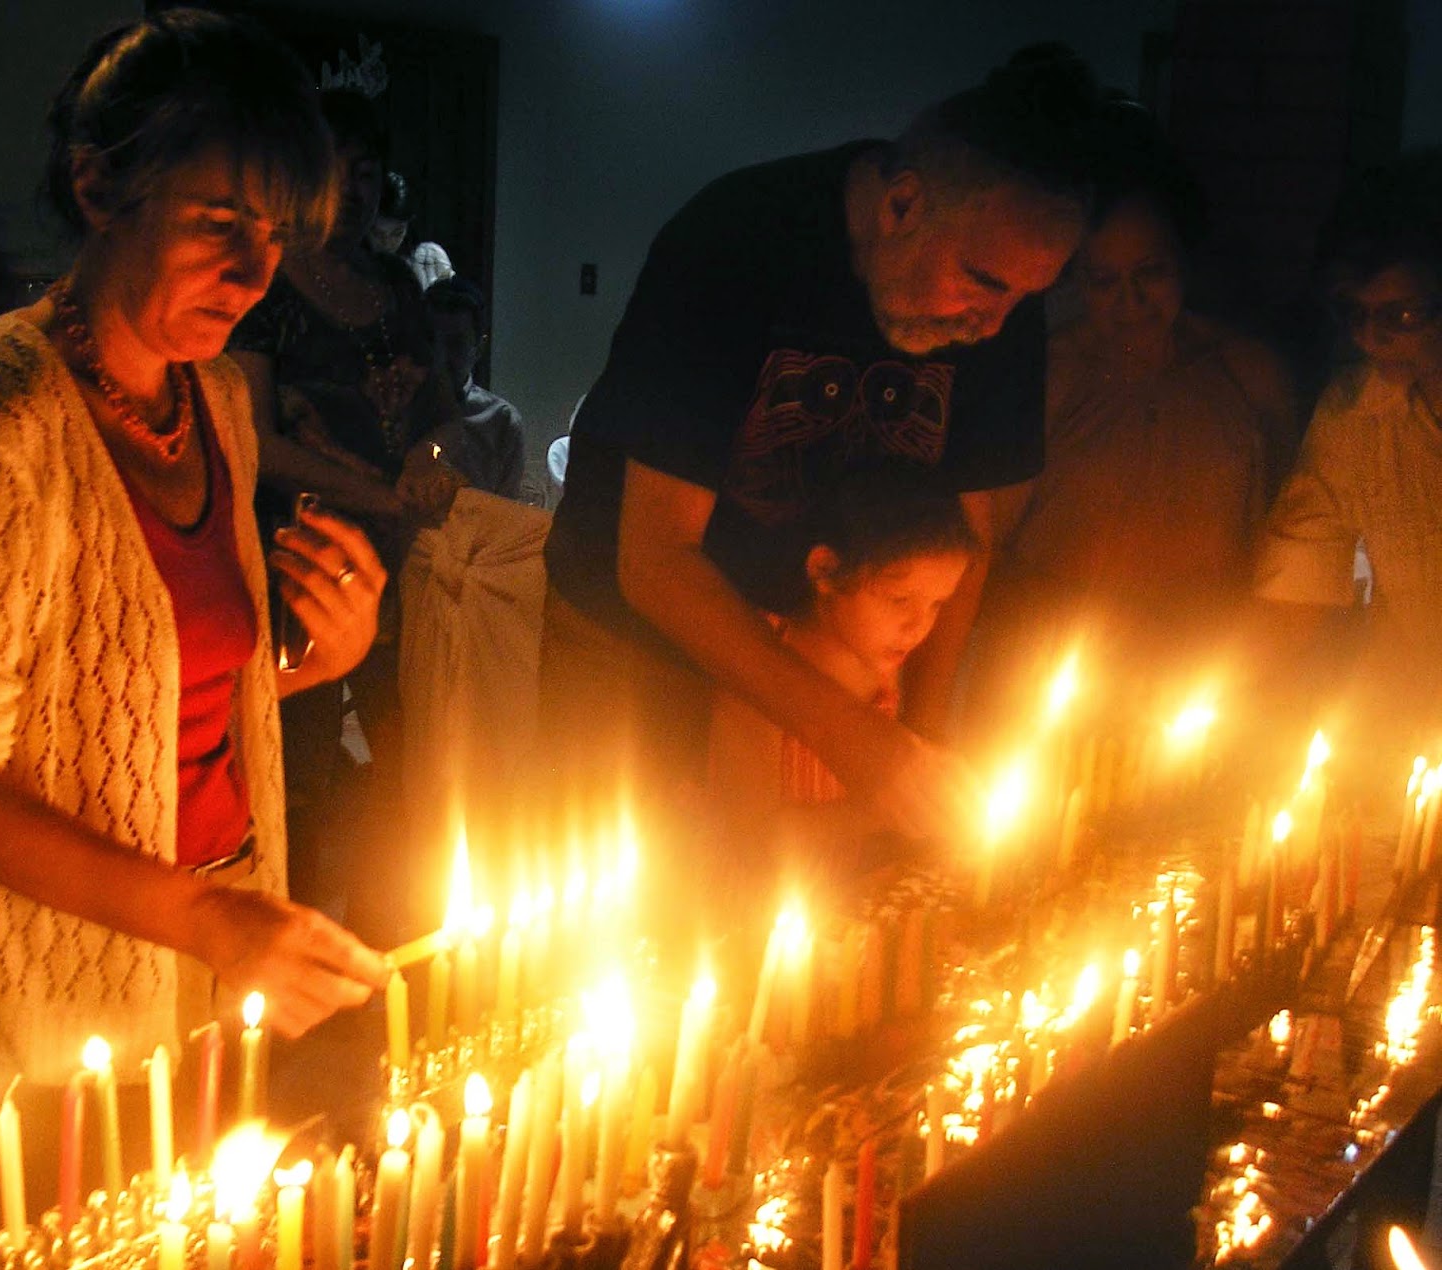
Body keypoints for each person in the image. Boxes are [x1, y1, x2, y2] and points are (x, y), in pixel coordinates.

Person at [0, 10, 391, 1084]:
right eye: (217, 222)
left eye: (276, 235)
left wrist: (302, 662)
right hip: (56, 1016)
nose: (252, 275)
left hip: (210, 969)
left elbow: (124, 701)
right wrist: (203, 918)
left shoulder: (217, 400)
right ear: (99, 191)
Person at [540, 47, 1106, 840]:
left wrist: (921, 738)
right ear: (902, 204)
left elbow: (967, 539)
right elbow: (656, 560)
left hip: (843, 663)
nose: (995, 325)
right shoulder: (736, 242)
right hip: (639, 654)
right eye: (983, 282)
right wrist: (851, 736)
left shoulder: (999, 309)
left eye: (1027, 297)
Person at [972, 117, 1297, 727]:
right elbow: (989, 545)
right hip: (1055, 672)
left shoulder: (1248, 375)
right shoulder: (1052, 376)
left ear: (1183, 264)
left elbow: (1293, 538)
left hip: (1199, 675)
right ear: (1074, 278)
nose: (1131, 301)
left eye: (1150, 273)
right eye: (1104, 280)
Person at [230, 87, 460, 928]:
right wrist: (380, 493)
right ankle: (277, 942)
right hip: (295, 557)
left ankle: (381, 945)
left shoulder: (398, 287)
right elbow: (253, 442)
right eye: (339, 170)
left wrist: (432, 463)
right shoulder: (264, 287)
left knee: (405, 761)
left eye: (371, 172)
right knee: (299, 765)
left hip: (402, 564)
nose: (356, 189)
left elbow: (442, 412)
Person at [1254, 148, 1442, 763]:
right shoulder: (1357, 415)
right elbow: (1297, 586)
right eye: (1354, 313)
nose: (1372, 338)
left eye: (1404, 314)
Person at [707, 467, 975, 876]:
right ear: (825, 570)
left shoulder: (887, 662)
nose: (918, 626)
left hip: (847, 915)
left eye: (937, 604)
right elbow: (752, 840)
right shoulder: (761, 675)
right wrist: (885, 808)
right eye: (900, 599)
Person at [426, 274, 526, 498]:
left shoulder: (501, 421)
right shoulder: (397, 409)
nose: (441, 357)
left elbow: (506, 511)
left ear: (479, 348)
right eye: (432, 342)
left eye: (455, 344)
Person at [372, 168, 454, 290]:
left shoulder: (428, 258)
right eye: (377, 234)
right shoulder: (349, 264)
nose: (386, 242)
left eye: (397, 233)